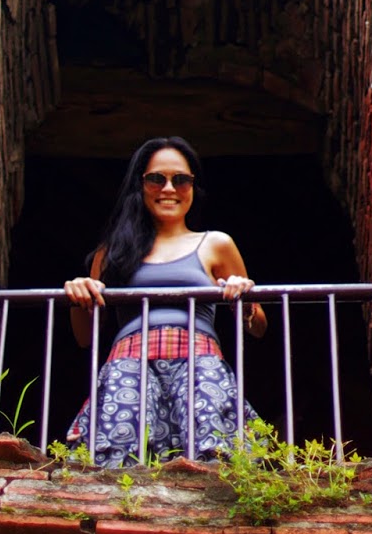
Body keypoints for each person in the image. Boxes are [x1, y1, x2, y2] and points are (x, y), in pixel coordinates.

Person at [63, 136, 266, 466]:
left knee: (213, 455)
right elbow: (85, 336)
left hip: (199, 361)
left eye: (181, 179)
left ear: (192, 187)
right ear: (140, 185)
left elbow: (258, 326)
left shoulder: (215, 244)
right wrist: (78, 295)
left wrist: (244, 299)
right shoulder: (113, 252)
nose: (169, 188)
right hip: (129, 362)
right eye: (157, 178)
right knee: (118, 454)